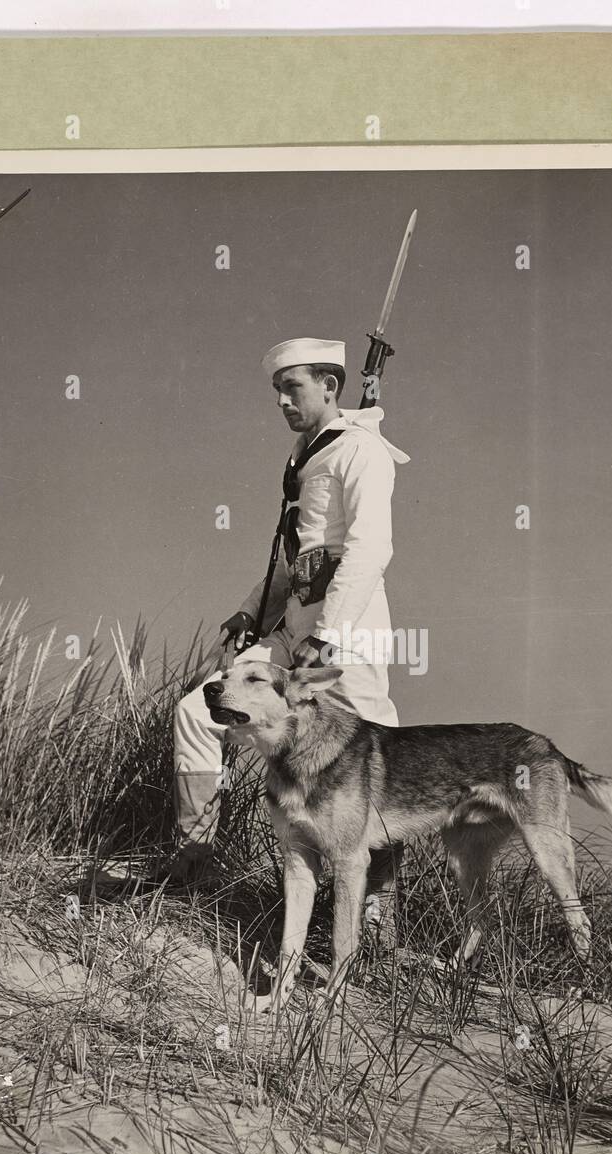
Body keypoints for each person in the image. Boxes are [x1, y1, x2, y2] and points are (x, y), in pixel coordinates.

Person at [168, 337, 408, 925]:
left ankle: (377, 918)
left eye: (292, 386)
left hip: (347, 632)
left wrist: (329, 632)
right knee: (198, 713)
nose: (281, 400)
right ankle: (197, 863)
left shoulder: (361, 451)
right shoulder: (305, 455)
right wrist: (252, 609)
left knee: (370, 757)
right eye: (277, 389)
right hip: (294, 626)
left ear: (330, 385)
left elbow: (369, 547)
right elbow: (291, 555)